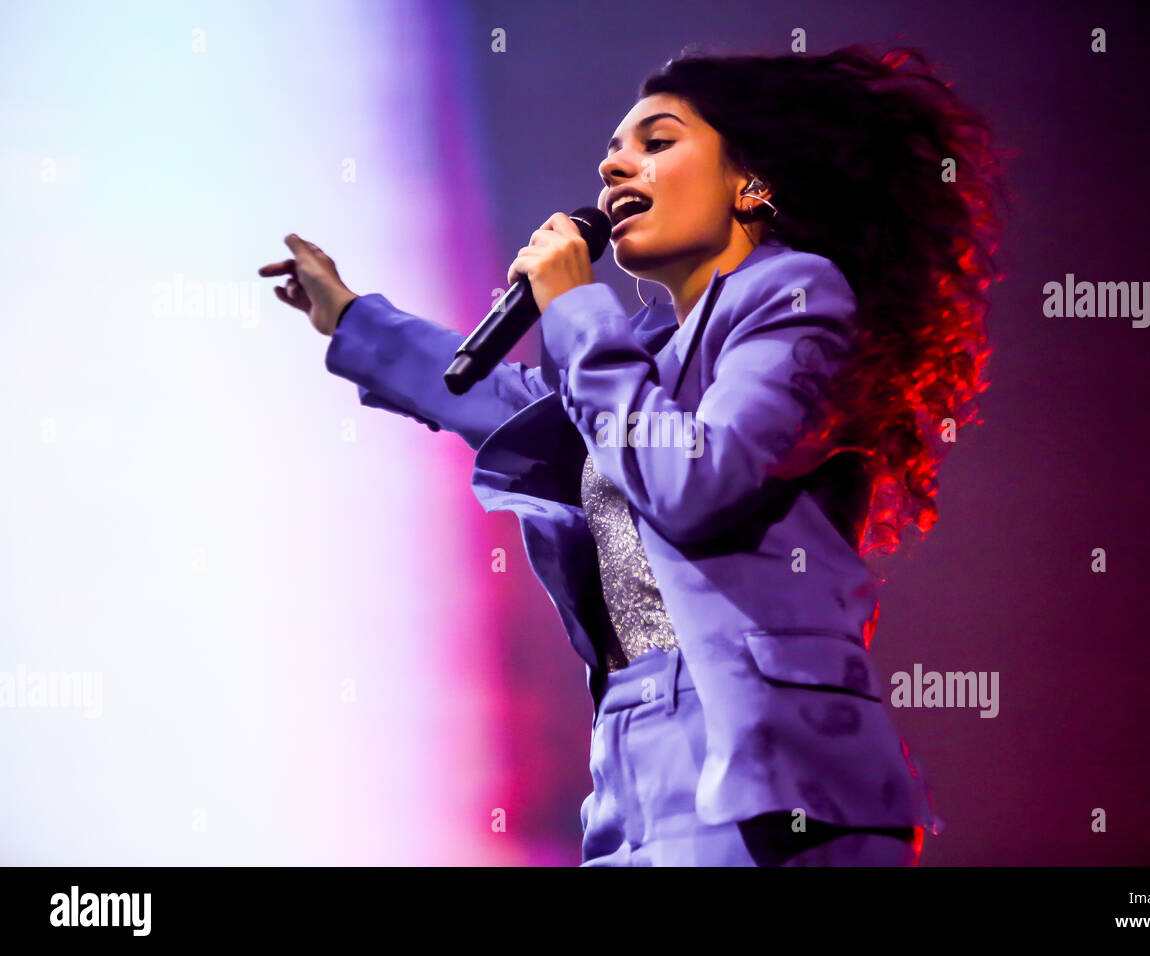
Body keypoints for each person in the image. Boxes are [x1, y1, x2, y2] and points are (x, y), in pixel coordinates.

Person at [259, 43, 1004, 866]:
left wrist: (577, 306)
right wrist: (353, 318)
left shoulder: (796, 292)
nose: (615, 162)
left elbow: (693, 477)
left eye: (656, 141)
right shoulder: (639, 352)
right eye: (614, 148)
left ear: (750, 183)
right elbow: (521, 412)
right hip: (630, 760)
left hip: (766, 772)